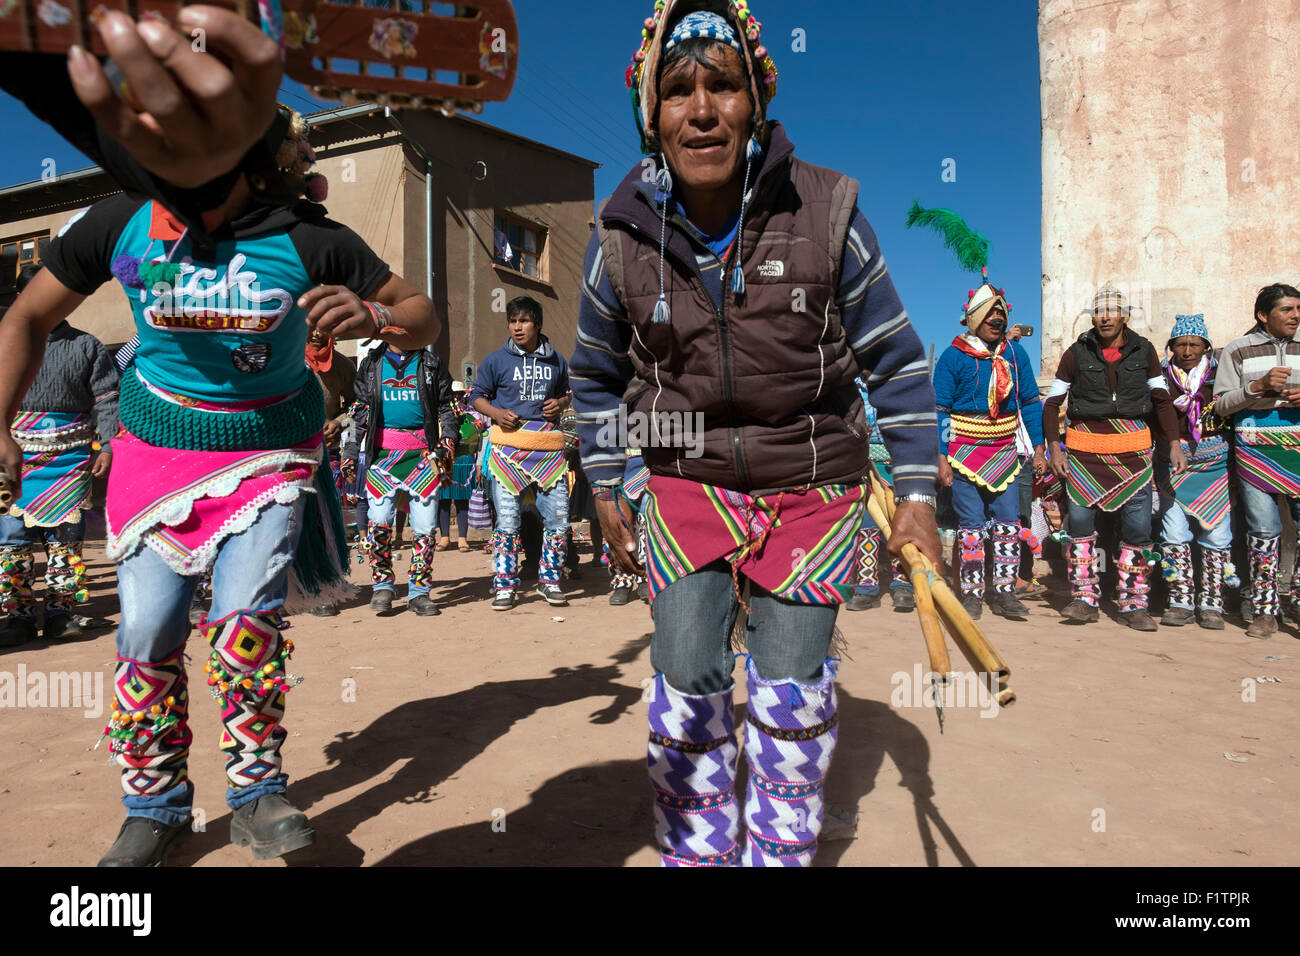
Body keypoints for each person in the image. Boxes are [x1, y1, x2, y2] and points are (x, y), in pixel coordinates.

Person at [0, 107, 437, 867]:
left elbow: (423, 313)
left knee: (244, 617)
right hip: (152, 448)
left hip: (268, 451)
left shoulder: (308, 237)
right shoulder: (119, 223)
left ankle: (256, 791)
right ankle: (155, 807)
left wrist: (374, 313)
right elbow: (28, 317)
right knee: (146, 633)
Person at [570, 0, 942, 867]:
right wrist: (601, 477)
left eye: (723, 85)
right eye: (678, 92)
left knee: (790, 681)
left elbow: (896, 363)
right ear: (650, 116)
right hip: (684, 475)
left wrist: (917, 494)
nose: (702, 109)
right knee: (688, 667)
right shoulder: (618, 238)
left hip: (813, 480)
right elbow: (593, 377)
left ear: (756, 102)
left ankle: (778, 849)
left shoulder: (829, 213)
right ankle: (698, 847)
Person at [1042, 286, 1184, 630]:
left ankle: (1134, 604)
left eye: (1112, 310)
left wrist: (1175, 443)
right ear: (1093, 316)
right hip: (1083, 455)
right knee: (1079, 526)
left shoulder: (1145, 351)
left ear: (1125, 315)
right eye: (1099, 311)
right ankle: (1083, 599)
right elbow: (1051, 405)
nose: (1105, 316)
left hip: (1134, 453)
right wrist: (1054, 448)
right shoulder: (1076, 353)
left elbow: (1162, 401)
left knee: (1137, 528)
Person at [0, 265, 118, 646]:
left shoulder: (87, 346)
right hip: (12, 455)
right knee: (11, 539)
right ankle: (16, 618)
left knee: (66, 540)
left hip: (71, 459)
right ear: (21, 298)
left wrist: (108, 443)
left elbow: (106, 398)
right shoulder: (3, 341)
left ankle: (60, 614)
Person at [933, 285, 1044, 621]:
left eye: (1001, 315)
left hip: (1005, 451)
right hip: (962, 451)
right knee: (971, 524)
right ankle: (971, 594)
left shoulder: (1015, 355)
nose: (997, 320)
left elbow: (1030, 402)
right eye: (989, 315)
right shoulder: (953, 356)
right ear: (974, 318)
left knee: (1009, 523)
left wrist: (1039, 448)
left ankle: (1006, 593)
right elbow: (940, 409)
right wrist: (940, 456)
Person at [471, 296, 572, 611]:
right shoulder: (495, 361)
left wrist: (562, 404)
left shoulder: (557, 361)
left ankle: (550, 580)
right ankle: (504, 586)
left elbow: (567, 393)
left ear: (538, 324)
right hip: (507, 448)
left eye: (524, 321)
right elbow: (476, 396)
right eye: (513, 321)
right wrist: (497, 413)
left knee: (558, 518)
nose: (517, 327)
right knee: (509, 520)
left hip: (548, 449)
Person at [1212, 284, 1300, 638]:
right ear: (1263, 315)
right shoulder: (1238, 349)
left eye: (1298, 309)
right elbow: (1219, 405)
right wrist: (1257, 387)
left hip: (1299, 445)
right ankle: (1264, 610)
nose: (1295, 316)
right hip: (1255, 447)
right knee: (1263, 530)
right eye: (1287, 309)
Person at [355, 344, 458, 616]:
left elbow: (446, 405)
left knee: (425, 527)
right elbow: (361, 408)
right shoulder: (372, 363)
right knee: (378, 521)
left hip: (423, 456)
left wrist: (447, 440)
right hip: (381, 456)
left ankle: (419, 592)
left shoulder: (431, 362)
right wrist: (351, 451)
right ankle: (382, 585)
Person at [1154, 314, 1233, 629]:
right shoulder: (1160, 376)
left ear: (1206, 347)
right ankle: (1180, 600)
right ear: (1172, 346)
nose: (1187, 350)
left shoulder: (1220, 375)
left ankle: (1212, 603)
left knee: (1218, 533)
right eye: (1181, 344)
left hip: (1214, 463)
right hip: (1171, 463)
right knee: (1173, 532)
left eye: (1194, 344)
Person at [846, 376, 915, 612]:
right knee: (867, 524)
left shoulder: (904, 382)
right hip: (860, 462)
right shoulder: (848, 385)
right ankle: (866, 587)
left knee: (901, 523)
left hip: (898, 462)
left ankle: (903, 584)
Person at [305, 336, 357, 616]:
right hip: (281, 451)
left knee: (320, 520)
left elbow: (358, 404)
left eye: (324, 327)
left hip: (322, 456)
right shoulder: (281, 353)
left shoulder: (342, 366)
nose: (316, 332)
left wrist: (338, 421)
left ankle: (321, 587)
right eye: (312, 323)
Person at [436, 383, 480, 553]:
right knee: (443, 500)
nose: (455, 397)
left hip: (463, 460)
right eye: (452, 394)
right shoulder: (440, 415)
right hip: (445, 460)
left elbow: (478, 440)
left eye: (458, 394)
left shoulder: (471, 415)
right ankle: (444, 537)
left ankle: (463, 538)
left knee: (462, 501)